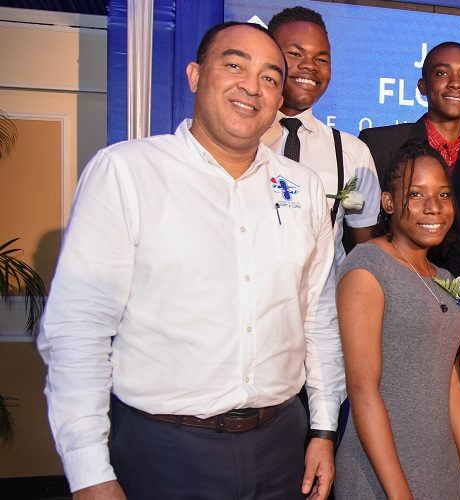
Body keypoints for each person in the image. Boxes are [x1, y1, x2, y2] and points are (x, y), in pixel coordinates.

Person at [36, 22, 341, 499]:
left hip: (282, 444)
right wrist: (89, 472)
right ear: (196, 75)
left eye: (269, 77)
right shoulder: (127, 172)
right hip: (164, 449)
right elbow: (79, 328)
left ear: (280, 100)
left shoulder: (303, 189)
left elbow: (317, 317)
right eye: (234, 65)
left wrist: (322, 429)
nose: (251, 86)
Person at [334, 140, 460, 499]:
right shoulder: (368, 267)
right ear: (388, 202)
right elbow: (363, 391)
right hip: (378, 479)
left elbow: (449, 381)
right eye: (416, 195)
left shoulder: (443, 277)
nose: (434, 207)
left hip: (441, 473)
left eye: (443, 194)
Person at [359, 41, 460, 277]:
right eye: (442, 73)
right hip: (385, 288)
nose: (455, 83)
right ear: (423, 86)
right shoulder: (377, 145)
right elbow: (359, 230)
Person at [262, 6, 381, 263]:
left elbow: (367, 254)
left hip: (321, 299)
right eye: (295, 54)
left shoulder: (352, 151)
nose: (309, 67)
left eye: (321, 59)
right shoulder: (239, 140)